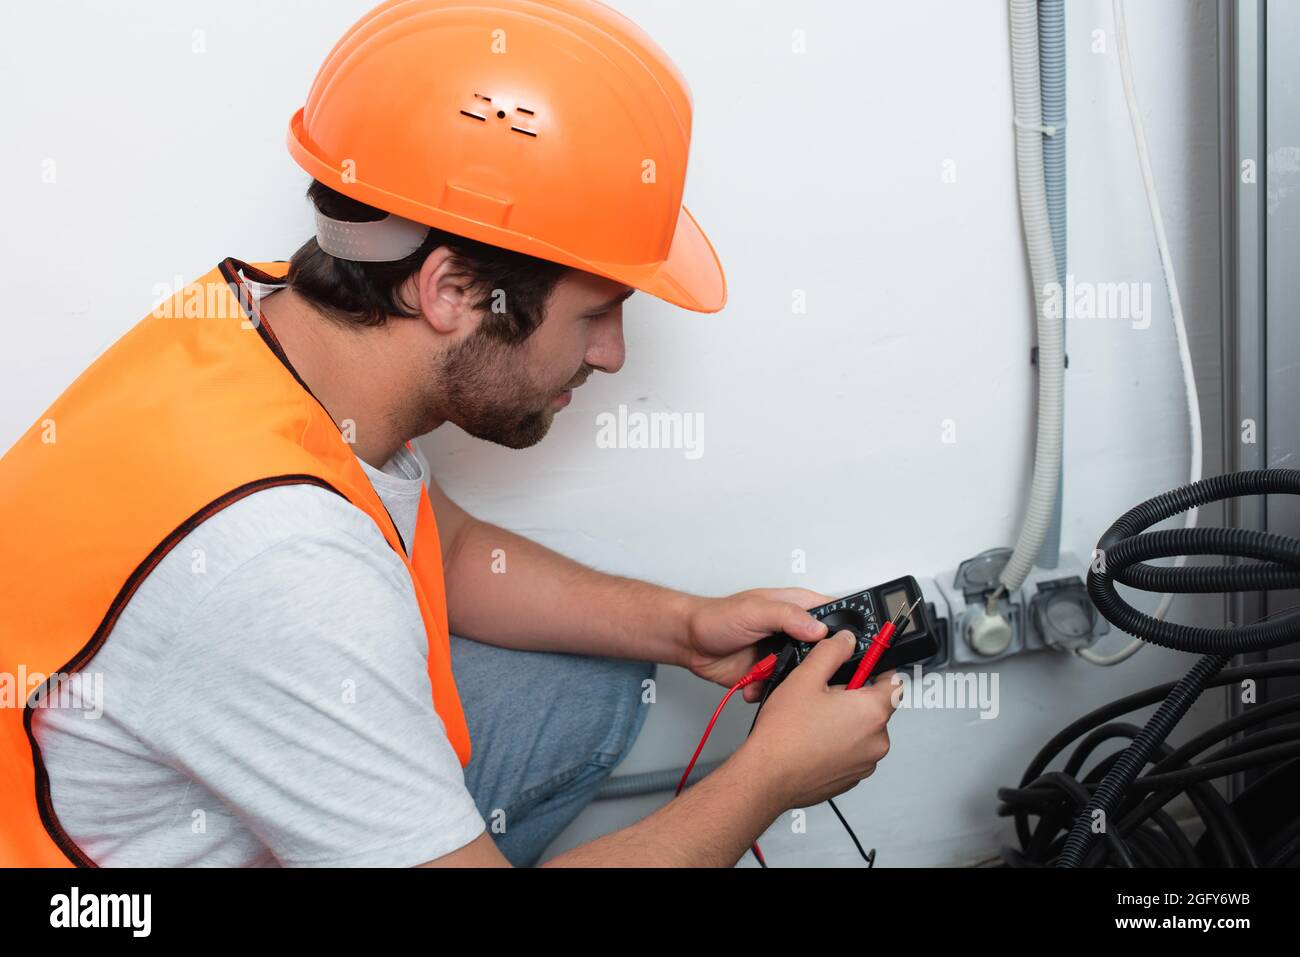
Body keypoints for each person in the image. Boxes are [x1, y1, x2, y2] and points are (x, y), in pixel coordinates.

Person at [0, 0, 897, 868]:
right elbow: (304, 578)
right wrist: (767, 779)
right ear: (451, 291)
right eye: (598, 313)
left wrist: (685, 625)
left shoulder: (267, 320)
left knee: (589, 682)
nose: (614, 355)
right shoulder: (285, 568)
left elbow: (440, 543)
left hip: (167, 730)